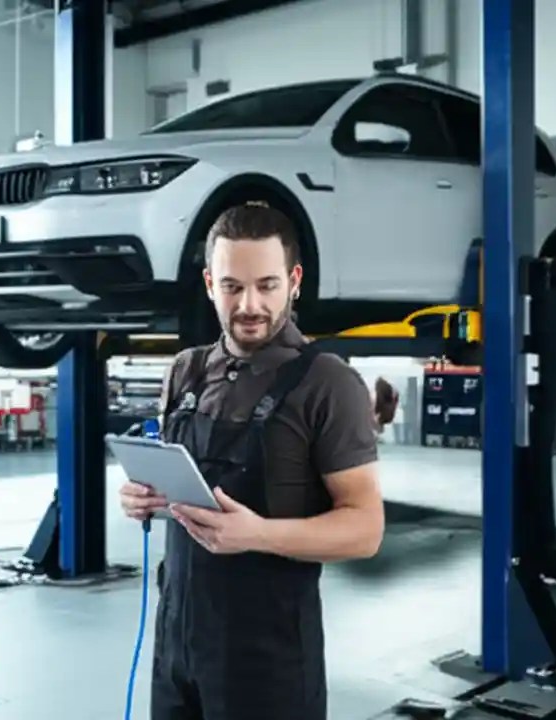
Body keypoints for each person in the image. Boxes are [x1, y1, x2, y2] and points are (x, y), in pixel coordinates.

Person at [119, 203, 386, 720]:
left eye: (266, 285)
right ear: (208, 283)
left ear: (295, 280)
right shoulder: (186, 372)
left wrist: (257, 535)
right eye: (231, 286)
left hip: (268, 660)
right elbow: (180, 488)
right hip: (178, 642)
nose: (249, 305)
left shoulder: (327, 383)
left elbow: (365, 529)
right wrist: (145, 498)